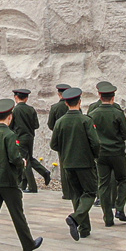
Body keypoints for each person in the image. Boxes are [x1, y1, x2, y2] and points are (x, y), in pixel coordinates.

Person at [0, 99, 43, 251]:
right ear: (10, 116)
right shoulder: (9, 134)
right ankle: (28, 244)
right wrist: (23, 164)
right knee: (17, 214)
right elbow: (14, 158)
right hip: (7, 181)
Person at [51, 88, 101, 241]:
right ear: (79, 102)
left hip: (68, 163)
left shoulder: (60, 122)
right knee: (91, 192)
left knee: (76, 194)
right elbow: (95, 142)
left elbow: (54, 144)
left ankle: (84, 228)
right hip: (85, 162)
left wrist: (66, 151)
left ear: (66, 103)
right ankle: (75, 218)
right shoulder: (86, 121)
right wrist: (94, 156)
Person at [88, 82, 126, 226]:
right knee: (122, 180)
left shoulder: (92, 114)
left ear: (100, 95)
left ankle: (107, 217)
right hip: (117, 152)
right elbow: (125, 134)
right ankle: (119, 208)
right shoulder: (117, 113)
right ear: (113, 97)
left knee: (103, 184)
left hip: (101, 154)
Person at [10, 88, 50, 192]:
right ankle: (42, 173)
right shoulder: (31, 109)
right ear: (27, 98)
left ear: (16, 97)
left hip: (20, 138)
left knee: (25, 161)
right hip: (30, 137)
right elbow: (36, 125)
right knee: (29, 158)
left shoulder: (16, 110)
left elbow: (11, 125)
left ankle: (32, 187)